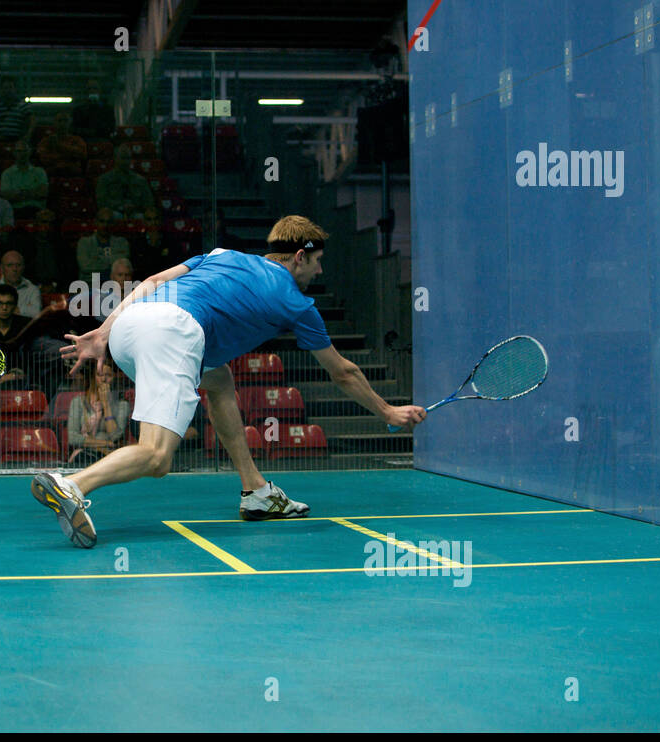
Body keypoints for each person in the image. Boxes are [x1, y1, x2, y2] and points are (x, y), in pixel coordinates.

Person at [29, 215, 426, 548]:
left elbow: (150, 281)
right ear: (300, 257)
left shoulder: (222, 255)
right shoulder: (296, 302)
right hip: (173, 331)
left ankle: (255, 492)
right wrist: (388, 411)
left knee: (218, 378)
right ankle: (71, 486)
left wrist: (103, 332)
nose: (319, 271)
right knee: (157, 457)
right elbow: (343, 371)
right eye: (317, 261)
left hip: (130, 325)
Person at [65, 358, 129, 466]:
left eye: (108, 375)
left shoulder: (122, 405)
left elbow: (116, 436)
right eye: (100, 375)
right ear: (93, 378)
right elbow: (72, 438)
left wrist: (106, 405)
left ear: (114, 378)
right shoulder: (78, 402)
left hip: (109, 458)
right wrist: (106, 443)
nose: (104, 379)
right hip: (84, 456)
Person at [94, 144, 153, 219]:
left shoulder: (140, 180)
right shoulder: (104, 179)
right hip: (113, 213)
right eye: (123, 158)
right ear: (115, 159)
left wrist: (135, 206)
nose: (126, 162)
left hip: (136, 212)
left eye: (128, 158)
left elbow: (149, 201)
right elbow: (101, 201)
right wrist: (120, 206)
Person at [0, 249, 41, 319]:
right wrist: (19, 310)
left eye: (18, 265)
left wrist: (3, 311)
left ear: (23, 267)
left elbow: (36, 313)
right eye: (10, 265)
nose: (14, 269)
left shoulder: (32, 289)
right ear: (2, 268)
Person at [75, 208, 130, 282]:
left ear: (113, 223)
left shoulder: (122, 242)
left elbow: (124, 265)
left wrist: (98, 259)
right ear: (96, 222)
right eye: (102, 221)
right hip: (90, 284)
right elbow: (85, 267)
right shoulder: (84, 243)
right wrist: (113, 263)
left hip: (116, 284)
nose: (105, 225)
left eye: (109, 222)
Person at [0, 141, 47, 217]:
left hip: (36, 209)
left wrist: (18, 194)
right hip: (14, 210)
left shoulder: (39, 172)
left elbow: (43, 192)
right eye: (19, 151)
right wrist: (32, 193)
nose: (22, 154)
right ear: (14, 153)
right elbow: (6, 195)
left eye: (25, 151)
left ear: (30, 152)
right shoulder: (7, 173)